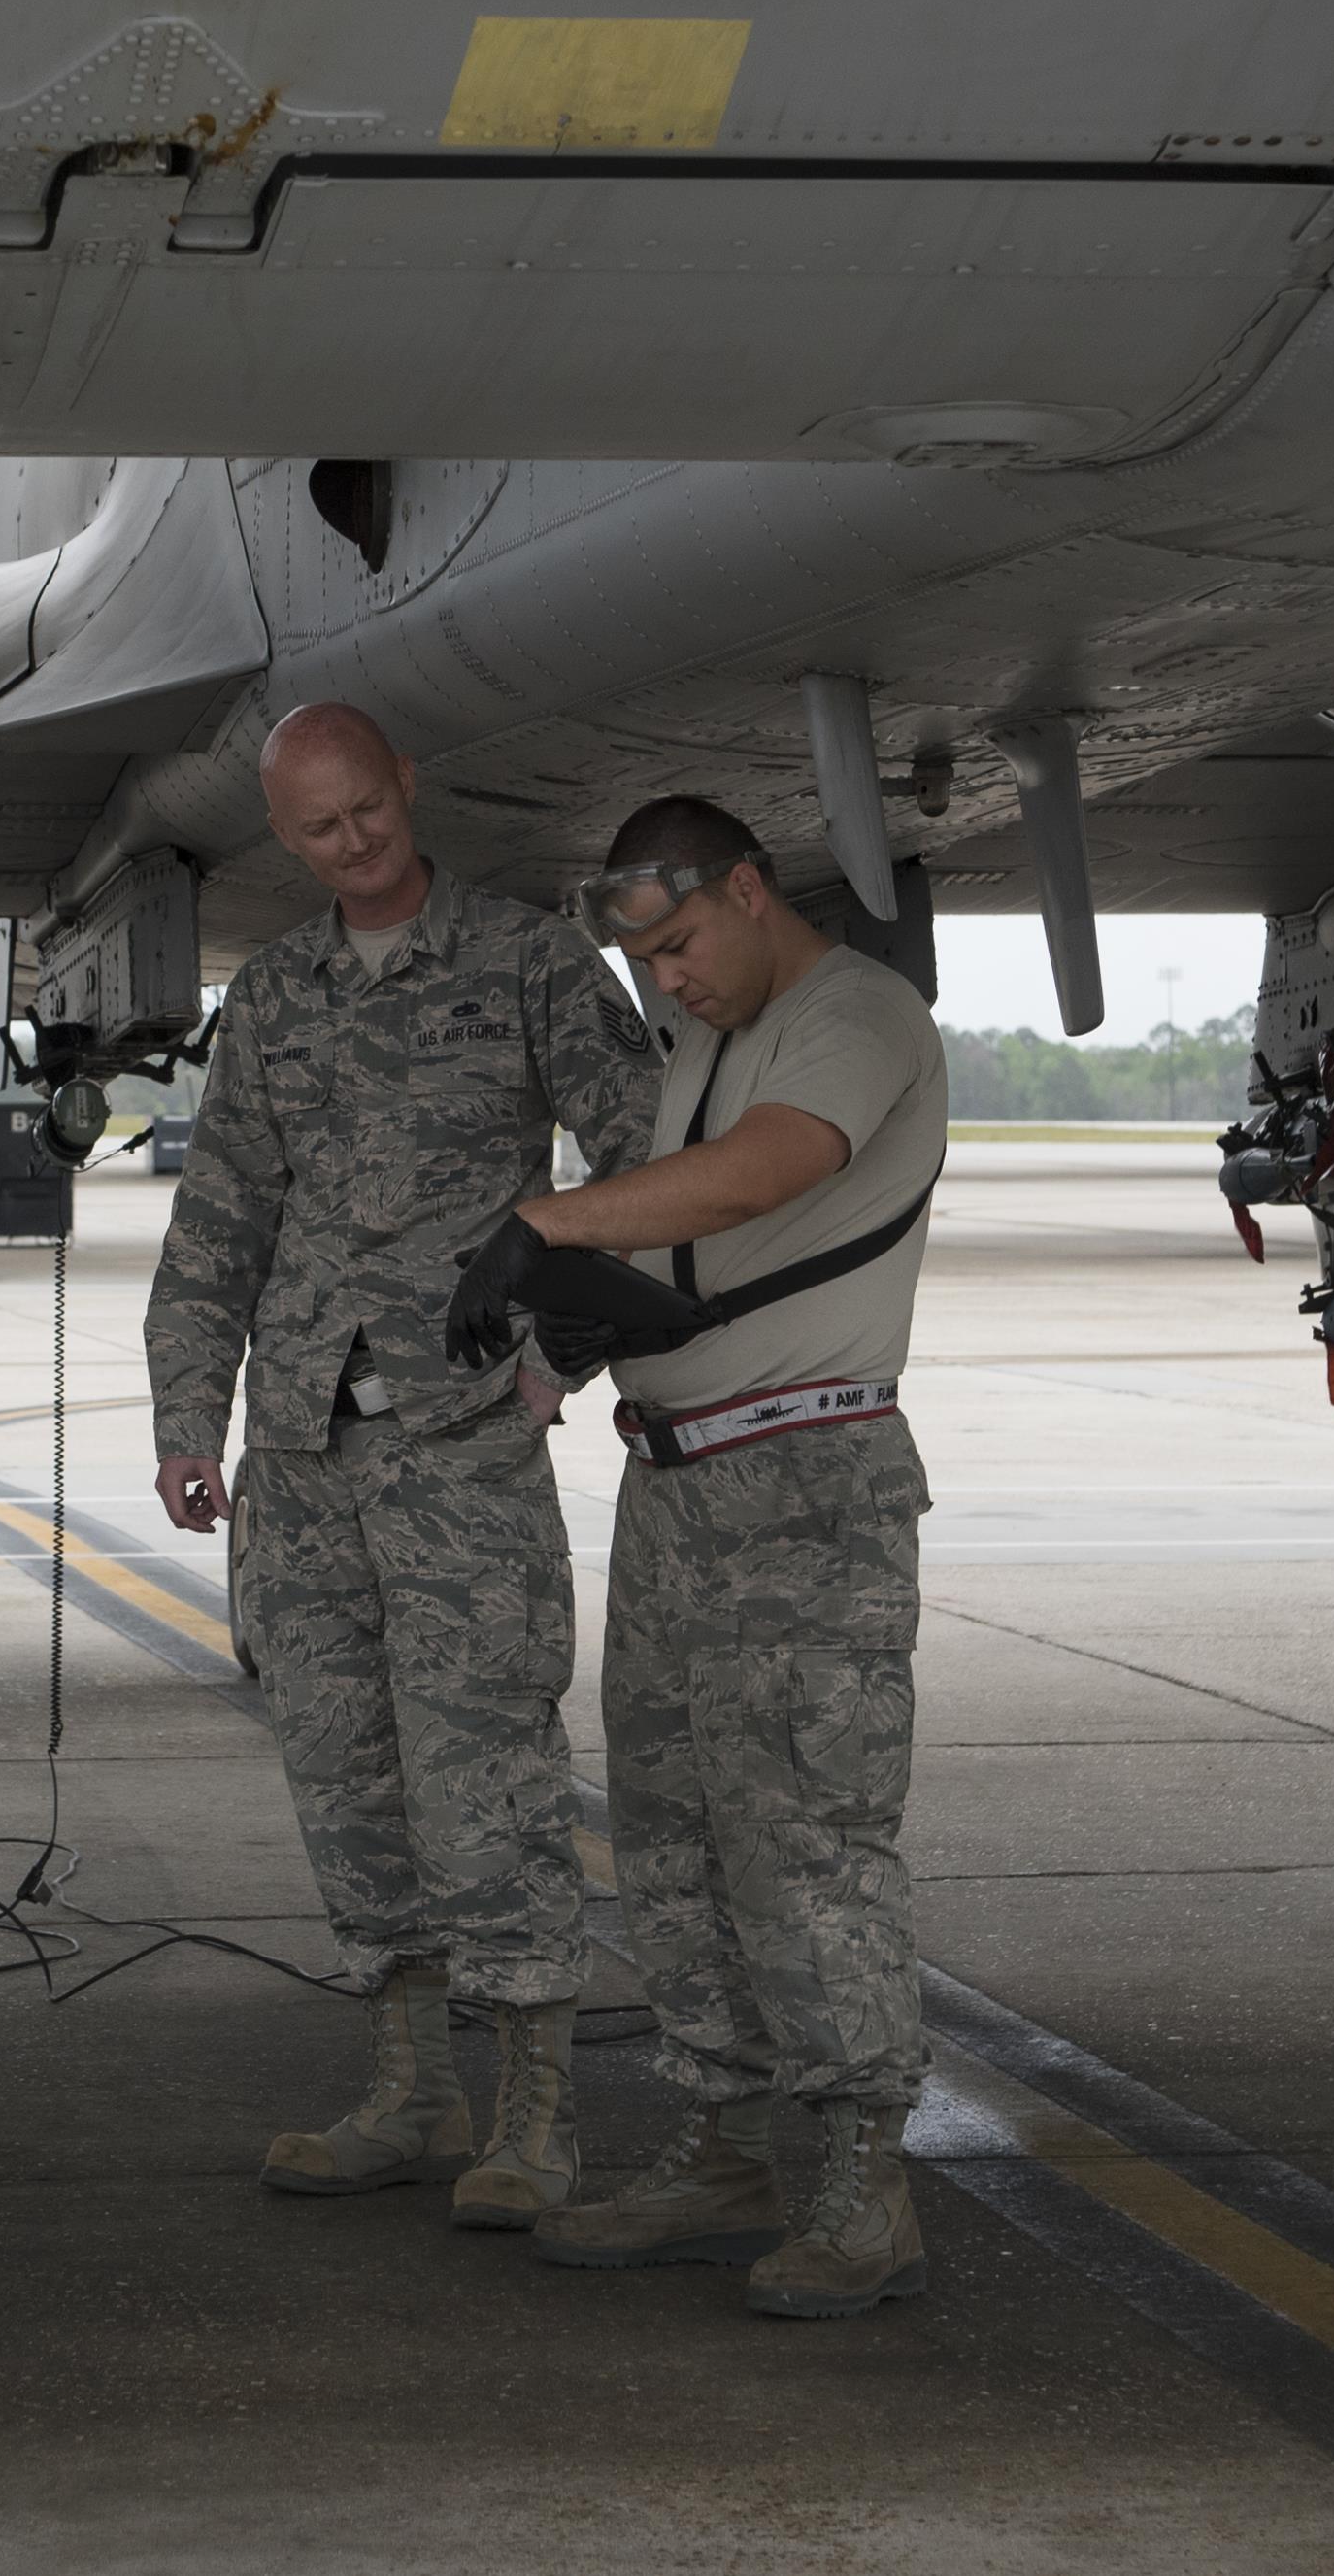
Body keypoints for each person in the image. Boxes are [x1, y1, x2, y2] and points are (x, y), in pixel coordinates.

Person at [145, 704, 659, 2222]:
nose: (353, 844)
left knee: (488, 1780)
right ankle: (404, 2084)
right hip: (300, 1448)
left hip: (459, 1442)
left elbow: (648, 1162)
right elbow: (218, 1218)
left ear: (404, 788)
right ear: (285, 837)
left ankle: (536, 2115)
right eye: (319, 829)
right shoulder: (278, 993)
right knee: (343, 1777)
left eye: (367, 811)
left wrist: (562, 1358)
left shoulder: (525, 960)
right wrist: (190, 1414)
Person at [444, 797, 949, 2320]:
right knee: (670, 1835)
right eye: (643, 958)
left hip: (806, 1489)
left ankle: (864, 2182)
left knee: (807, 1832)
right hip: (676, 1488)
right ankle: (723, 2148)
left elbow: (763, 1174)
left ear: (746, 887)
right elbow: (704, 1242)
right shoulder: (698, 1047)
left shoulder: (851, 1013)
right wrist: (601, 1310)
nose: (666, 977)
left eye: (677, 943)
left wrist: (542, 1220)